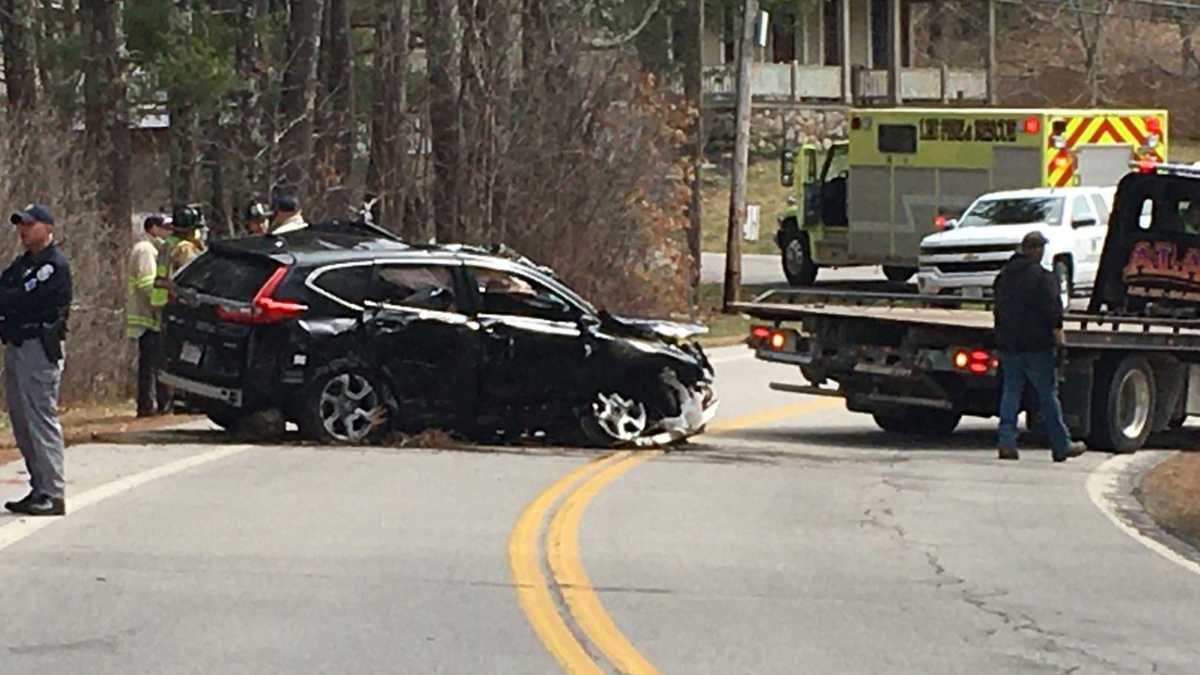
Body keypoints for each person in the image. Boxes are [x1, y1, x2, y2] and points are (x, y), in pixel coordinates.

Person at [1, 204, 71, 516]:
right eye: (21, 225)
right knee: (22, 422)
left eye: (29, 224)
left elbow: (21, 299)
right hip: (17, 345)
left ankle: (53, 493)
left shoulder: (53, 265)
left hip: (39, 349)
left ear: (46, 227)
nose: (23, 230)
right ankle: (38, 485)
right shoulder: (23, 264)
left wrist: (10, 300)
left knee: (41, 420)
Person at [993, 231, 1085, 463]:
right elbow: (1053, 313)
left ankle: (1006, 442)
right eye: (1041, 248)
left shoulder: (1004, 277)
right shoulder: (1043, 278)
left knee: (1011, 392)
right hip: (1037, 346)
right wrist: (1060, 341)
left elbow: (998, 309)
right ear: (1035, 250)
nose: (1042, 252)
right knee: (1047, 395)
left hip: (1009, 344)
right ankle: (1061, 445)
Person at [126, 215, 171, 417]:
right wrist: (160, 306)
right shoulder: (145, 250)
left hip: (151, 317)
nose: (168, 231)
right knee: (150, 364)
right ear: (152, 228)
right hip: (147, 317)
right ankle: (147, 406)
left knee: (155, 362)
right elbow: (146, 284)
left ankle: (159, 404)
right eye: (165, 227)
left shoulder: (156, 249)